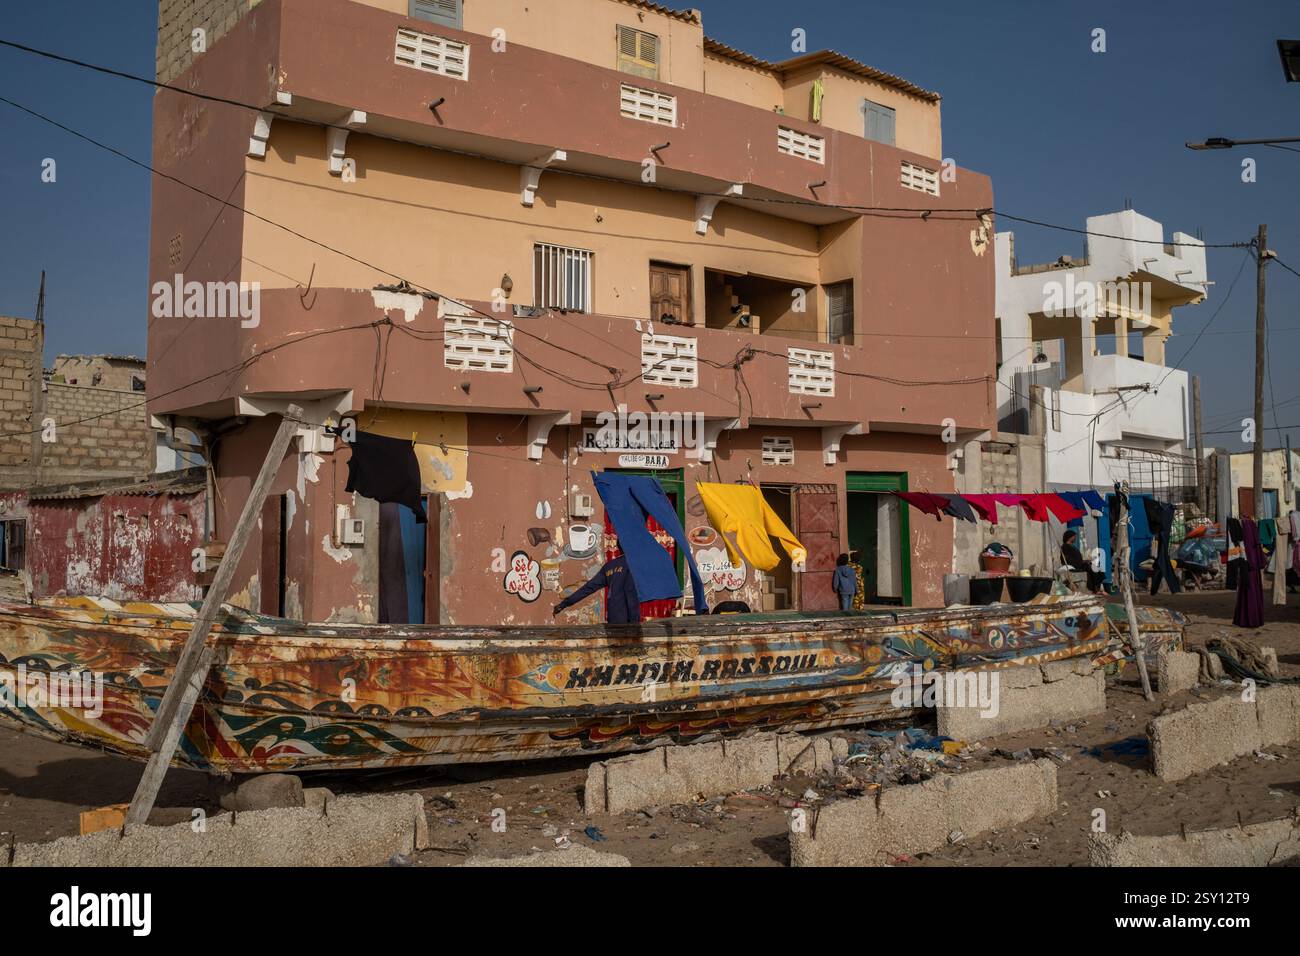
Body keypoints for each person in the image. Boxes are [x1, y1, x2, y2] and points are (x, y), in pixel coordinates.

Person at [553, 552, 641, 624]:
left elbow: (587, 588)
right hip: (628, 619)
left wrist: (563, 604)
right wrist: (634, 622)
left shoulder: (609, 566)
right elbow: (630, 593)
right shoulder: (633, 565)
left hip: (613, 616)